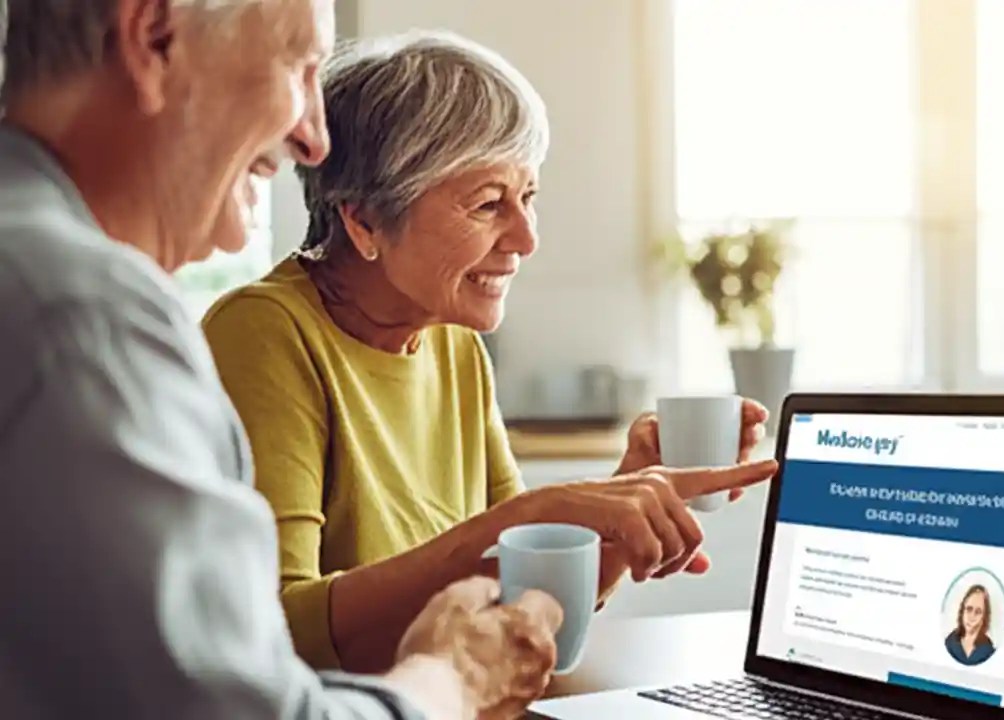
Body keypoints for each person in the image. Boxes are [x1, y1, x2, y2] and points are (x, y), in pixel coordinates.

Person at [0, 2, 564, 718]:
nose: (312, 138)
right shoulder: (83, 321)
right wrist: (450, 681)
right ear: (155, 39)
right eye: (299, 69)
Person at [202, 29, 778, 673]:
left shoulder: (455, 344)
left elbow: (516, 608)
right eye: (488, 203)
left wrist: (618, 511)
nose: (527, 238)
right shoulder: (264, 332)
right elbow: (272, 630)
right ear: (363, 220)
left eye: (528, 197)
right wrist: (542, 510)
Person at [945, 584, 997, 666]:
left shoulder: (989, 652)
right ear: (962, 611)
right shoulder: (950, 643)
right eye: (969, 609)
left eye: (978, 612)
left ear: (984, 617)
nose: (972, 617)